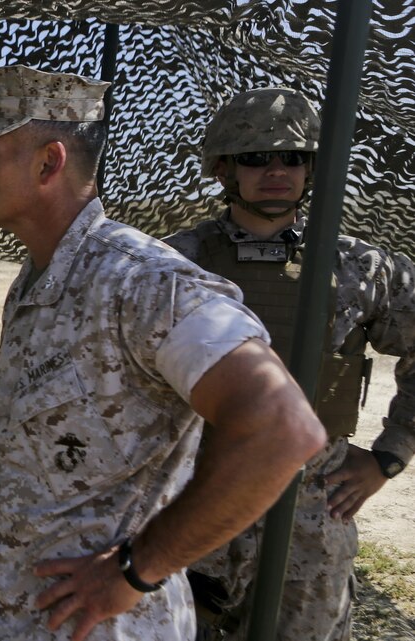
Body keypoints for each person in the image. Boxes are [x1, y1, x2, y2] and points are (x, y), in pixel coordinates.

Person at [0, 64, 328, 641]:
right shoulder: (37, 281)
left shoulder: (143, 281)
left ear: (49, 163)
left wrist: (135, 571)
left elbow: (283, 430)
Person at [164, 87, 415, 641]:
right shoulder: (171, 265)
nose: (276, 170)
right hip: (191, 506)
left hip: (311, 514)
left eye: (293, 157)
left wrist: (389, 456)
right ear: (224, 168)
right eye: (255, 157)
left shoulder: (361, 267)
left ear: (313, 168)